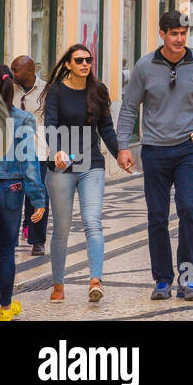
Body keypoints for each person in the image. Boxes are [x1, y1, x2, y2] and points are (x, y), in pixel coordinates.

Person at [116, 10, 193, 301]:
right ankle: (162, 279)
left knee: (189, 209)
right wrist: (123, 145)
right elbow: (128, 108)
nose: (179, 39)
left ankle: (187, 279)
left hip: (189, 149)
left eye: (183, 33)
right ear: (162, 35)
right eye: (173, 33)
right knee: (157, 216)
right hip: (154, 151)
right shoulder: (144, 66)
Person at [42, 44, 121, 304]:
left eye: (88, 60)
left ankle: (95, 281)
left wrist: (120, 153)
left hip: (92, 165)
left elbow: (107, 128)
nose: (85, 64)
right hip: (62, 168)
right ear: (68, 64)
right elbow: (50, 125)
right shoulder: (56, 91)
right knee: (61, 229)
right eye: (79, 60)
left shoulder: (98, 91)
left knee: (92, 221)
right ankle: (58, 284)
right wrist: (56, 151)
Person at [0, 65, 46, 321]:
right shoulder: (23, 118)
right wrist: (38, 199)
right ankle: (5, 308)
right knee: (8, 252)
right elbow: (30, 162)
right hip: (12, 189)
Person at [11, 56, 47, 258]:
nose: (13, 72)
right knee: (11, 196)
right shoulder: (10, 89)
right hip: (13, 152)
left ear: (30, 71)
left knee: (38, 196)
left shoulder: (47, 90)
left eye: (17, 69)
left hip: (38, 151)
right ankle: (9, 239)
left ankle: (37, 241)